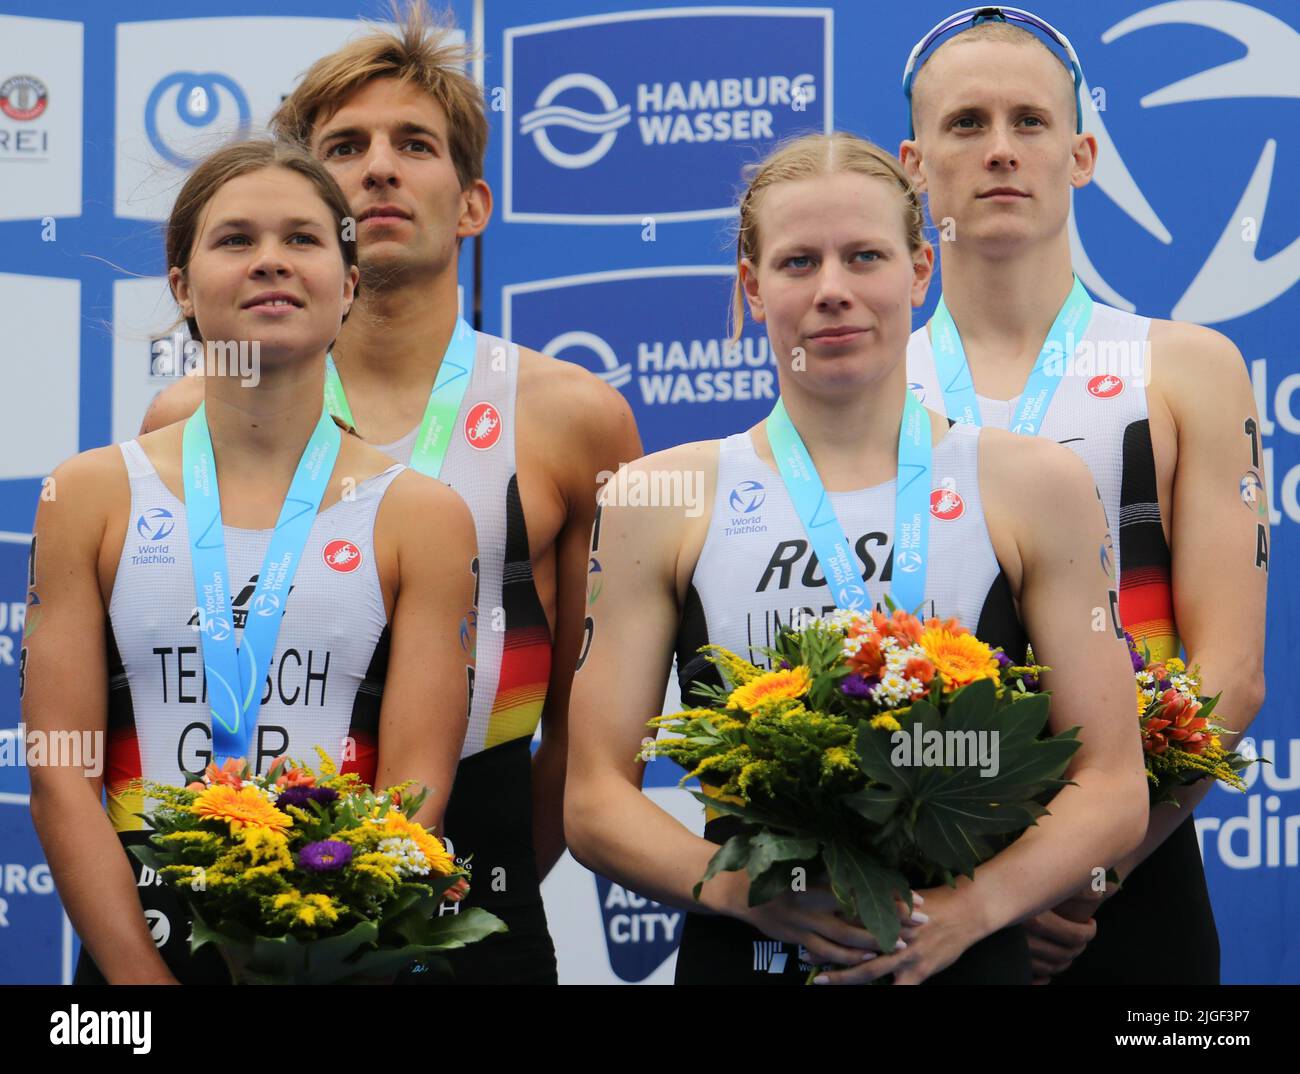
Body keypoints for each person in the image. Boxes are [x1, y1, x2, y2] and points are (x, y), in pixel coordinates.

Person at [564, 131, 1147, 985]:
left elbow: (1112, 781)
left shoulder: (1035, 485)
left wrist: (967, 913)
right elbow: (593, 800)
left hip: (964, 958)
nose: (833, 291)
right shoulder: (658, 500)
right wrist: (742, 893)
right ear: (752, 287)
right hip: (749, 952)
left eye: (864, 256)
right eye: (799, 263)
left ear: (919, 271)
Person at [138, 3, 642, 984]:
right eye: (343, 146)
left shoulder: (576, 418)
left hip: (472, 872)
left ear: (471, 204)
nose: (378, 167)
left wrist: (475, 873)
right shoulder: (191, 408)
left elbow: (587, 734)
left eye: (413, 144)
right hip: (224, 844)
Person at [25, 140, 477, 984]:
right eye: (235, 240)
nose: (271, 261)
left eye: (304, 239)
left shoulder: (425, 516)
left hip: (340, 949)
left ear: (348, 284)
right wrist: (143, 985)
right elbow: (60, 780)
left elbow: (416, 798)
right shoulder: (88, 496)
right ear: (182, 286)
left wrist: (323, 953)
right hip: (136, 957)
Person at [898, 7, 1268, 984]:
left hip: (1126, 892)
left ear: (1082, 154)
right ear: (911, 162)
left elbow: (1229, 670)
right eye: (965, 124)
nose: (1000, 150)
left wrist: (1084, 871)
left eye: (1029, 122)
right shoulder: (864, 385)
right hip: (918, 881)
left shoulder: (1186, 369)